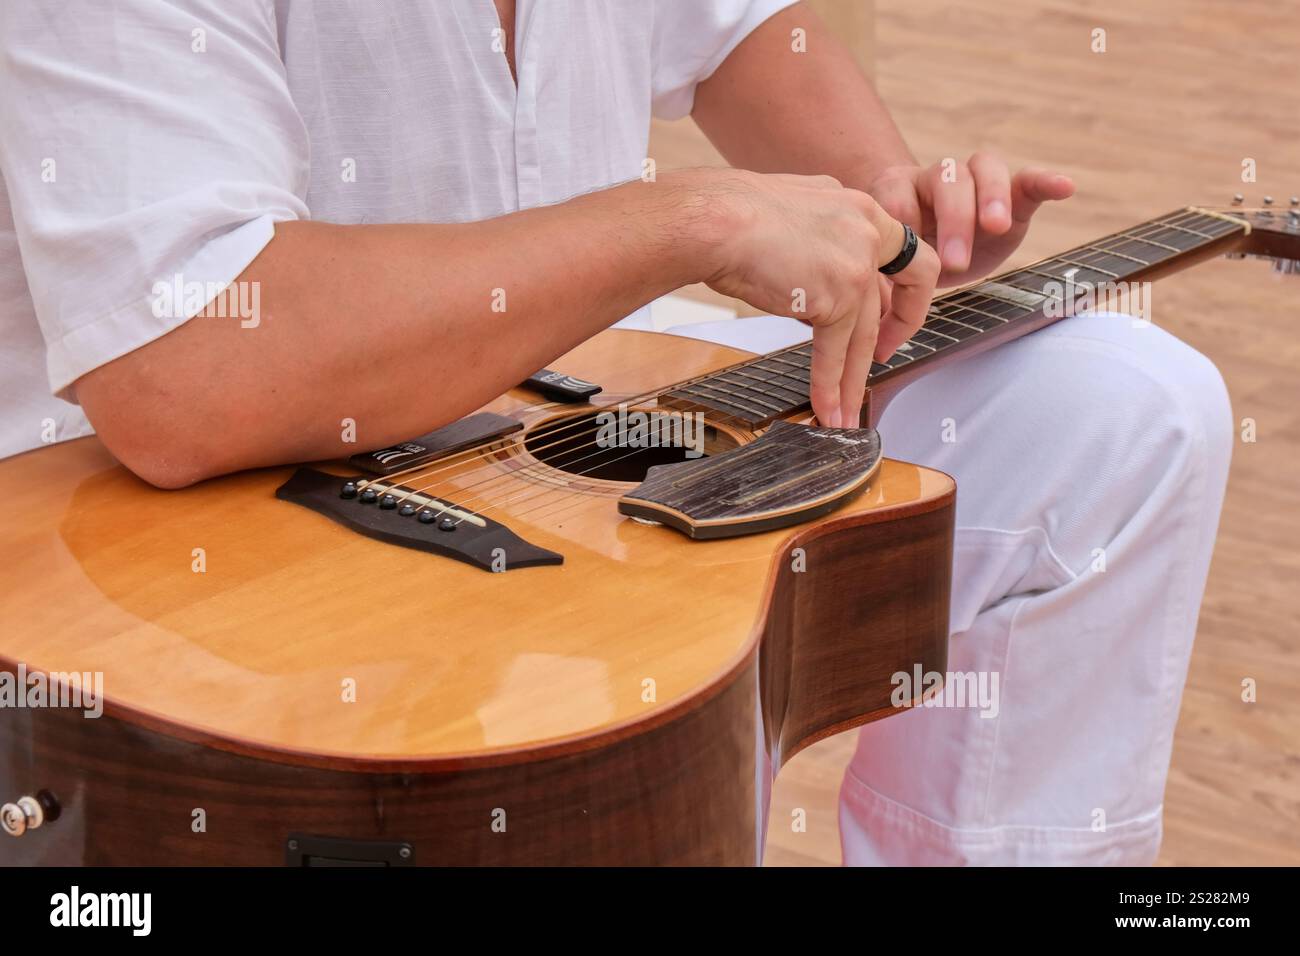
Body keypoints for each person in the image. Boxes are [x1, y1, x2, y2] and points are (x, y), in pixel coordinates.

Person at [0, 0, 1231, 865]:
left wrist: (883, 219)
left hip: (560, 404)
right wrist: (688, 220)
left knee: (1122, 412)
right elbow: (187, 367)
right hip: (174, 521)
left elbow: (739, 26)